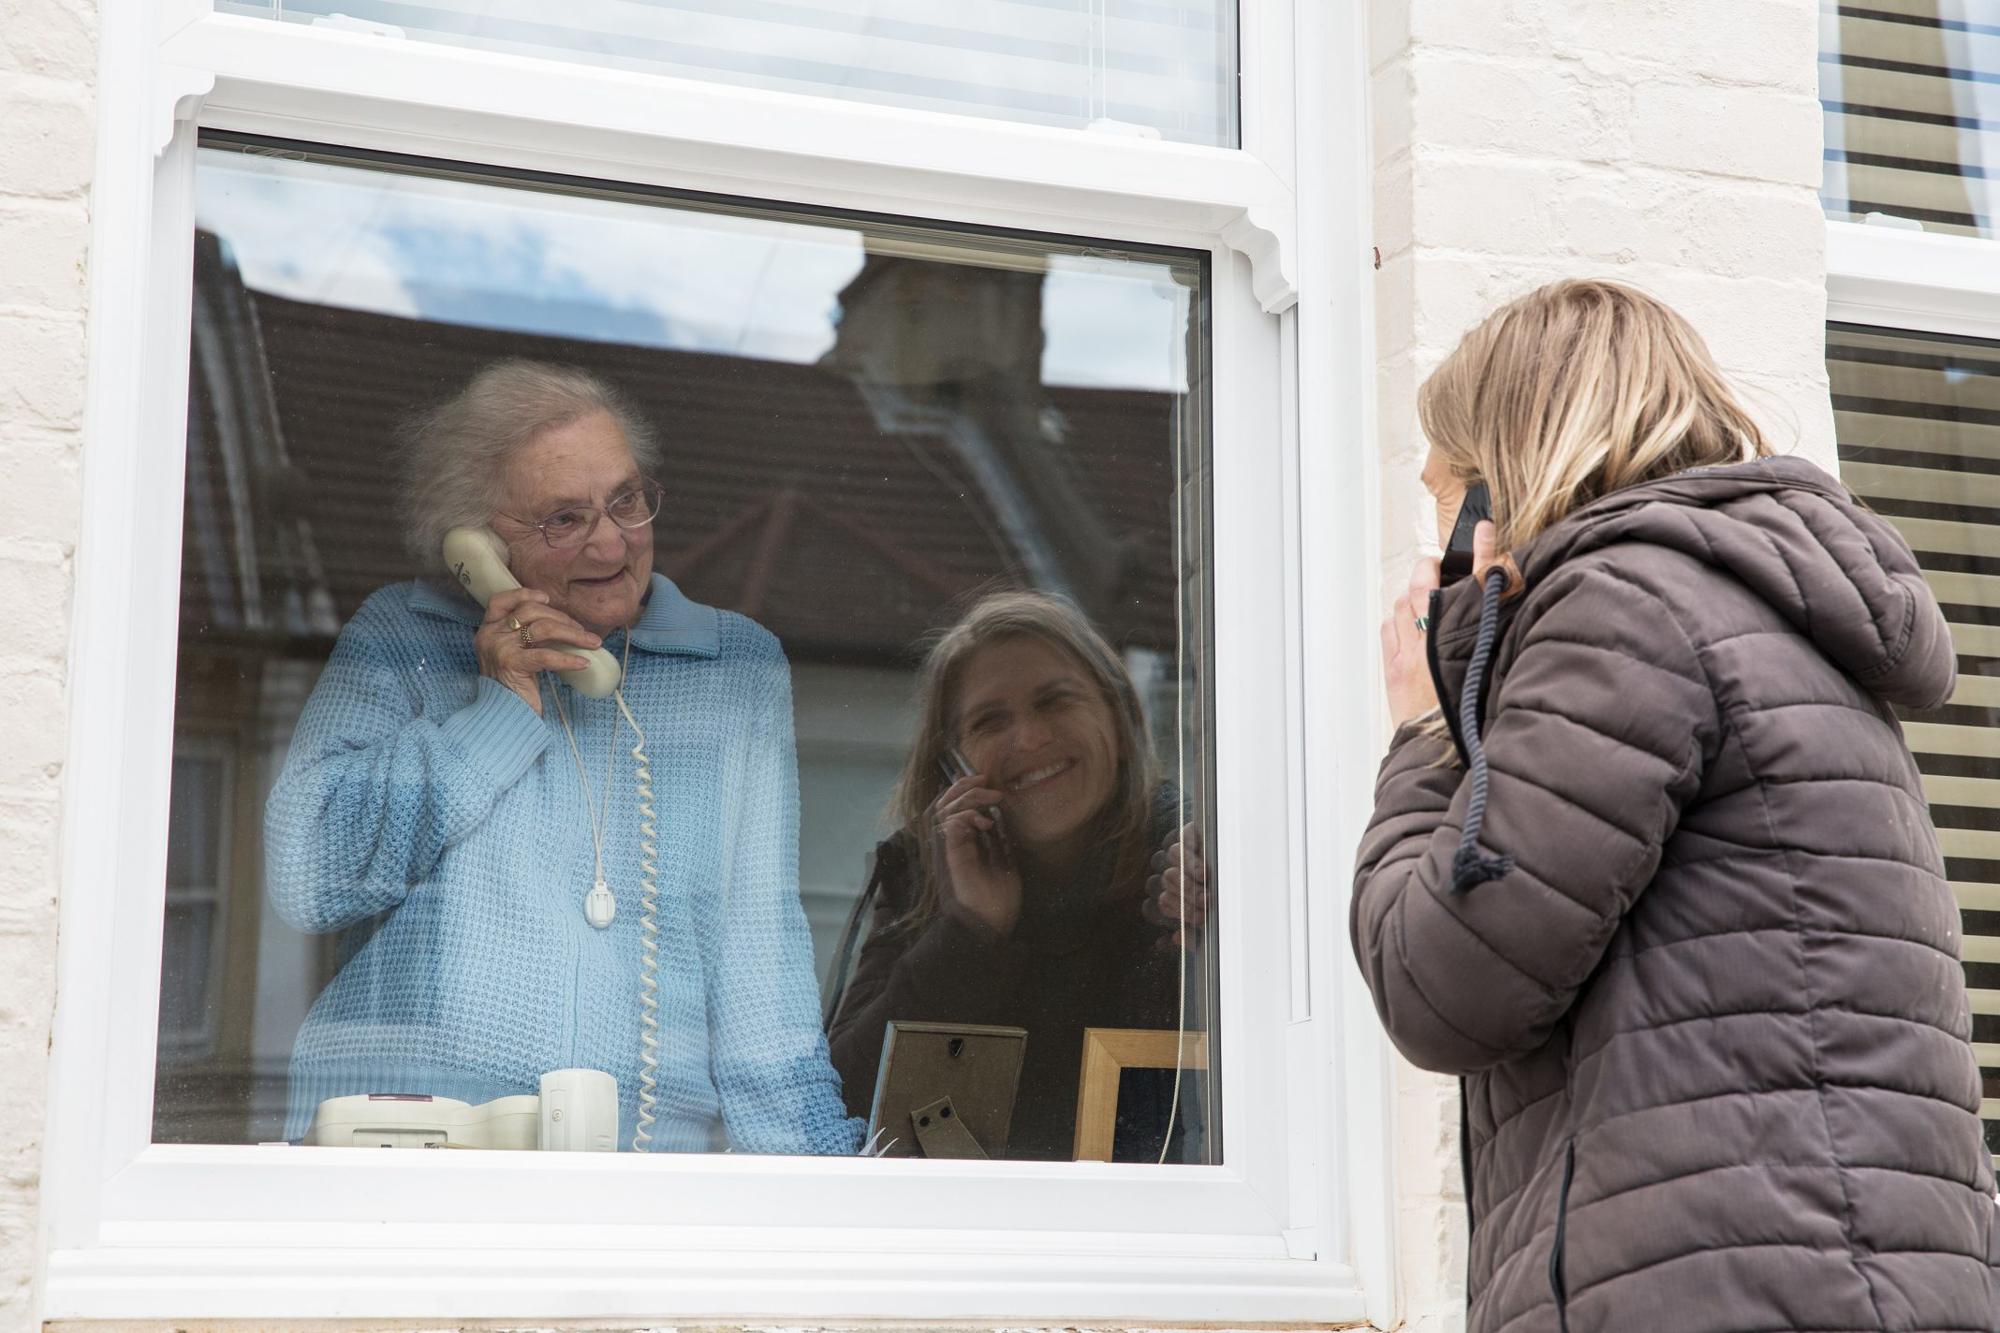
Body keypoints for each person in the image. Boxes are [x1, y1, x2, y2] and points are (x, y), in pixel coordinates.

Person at [1352, 279, 1998, 1332]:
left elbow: (1446, 984)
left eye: (1439, 492)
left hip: (1726, 1287)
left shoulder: (1624, 608)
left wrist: (1425, 732)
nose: (1432, 543)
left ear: (1500, 481)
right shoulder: (1749, 608)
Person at [265, 359, 859, 1156]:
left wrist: (819, 1186)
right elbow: (307, 874)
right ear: (474, 545)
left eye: (625, 500)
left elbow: (760, 958)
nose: (612, 540)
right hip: (408, 1154)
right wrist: (498, 713)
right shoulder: (402, 638)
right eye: (563, 519)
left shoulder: (732, 670)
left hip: (642, 1174)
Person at [825, 591, 1208, 1161]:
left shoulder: (1186, 863)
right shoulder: (929, 874)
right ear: (953, 762)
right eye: (990, 721)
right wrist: (969, 931)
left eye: (1056, 702)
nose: (1029, 739)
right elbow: (839, 1105)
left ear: (1117, 713)